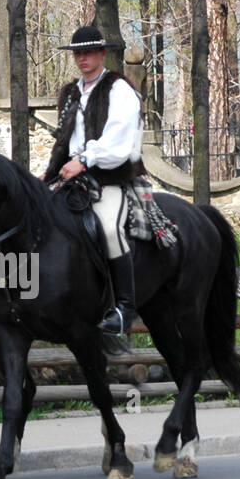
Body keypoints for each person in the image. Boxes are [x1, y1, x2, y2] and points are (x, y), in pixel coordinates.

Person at [44, 24, 143, 339]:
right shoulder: (70, 92)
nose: (82, 58)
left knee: (110, 229)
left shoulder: (119, 89)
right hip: (71, 177)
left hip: (108, 178)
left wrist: (86, 160)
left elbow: (118, 139)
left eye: (88, 52)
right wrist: (51, 174)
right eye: (78, 53)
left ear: (102, 53)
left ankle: (124, 308)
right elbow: (64, 141)